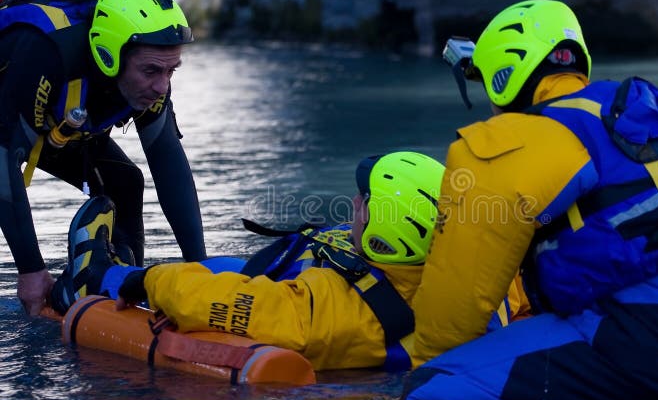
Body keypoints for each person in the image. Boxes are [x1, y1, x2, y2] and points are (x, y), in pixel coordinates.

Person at [401, 0, 658, 400]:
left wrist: (423, 360)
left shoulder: (513, 139)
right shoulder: (649, 118)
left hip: (651, 335)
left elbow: (457, 304)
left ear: (503, 77)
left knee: (431, 389)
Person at [51, 151, 530, 371]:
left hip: (308, 300)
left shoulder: (324, 309)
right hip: (358, 277)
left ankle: (97, 278)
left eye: (364, 201)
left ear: (384, 232)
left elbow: (229, 301)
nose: (355, 204)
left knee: (204, 280)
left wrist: (144, 281)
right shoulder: (485, 277)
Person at [0, 0, 206, 317]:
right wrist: (31, 270)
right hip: (9, 116)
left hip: (48, 123)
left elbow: (168, 161)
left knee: (124, 182)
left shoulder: (150, 72)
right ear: (109, 54)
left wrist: (200, 267)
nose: (161, 86)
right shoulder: (49, 52)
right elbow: (4, 160)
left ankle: (120, 286)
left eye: (172, 70)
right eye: (152, 71)